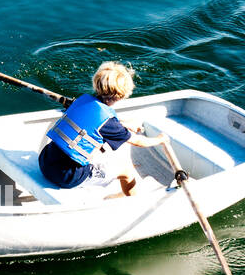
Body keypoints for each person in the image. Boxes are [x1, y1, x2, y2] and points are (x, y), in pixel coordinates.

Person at [38, 61, 168, 195]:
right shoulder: (108, 123)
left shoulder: (82, 102)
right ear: (121, 95)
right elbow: (139, 142)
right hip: (67, 176)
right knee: (127, 172)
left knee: (98, 150)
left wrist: (124, 124)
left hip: (45, 160)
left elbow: (94, 124)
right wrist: (160, 139)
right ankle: (133, 203)